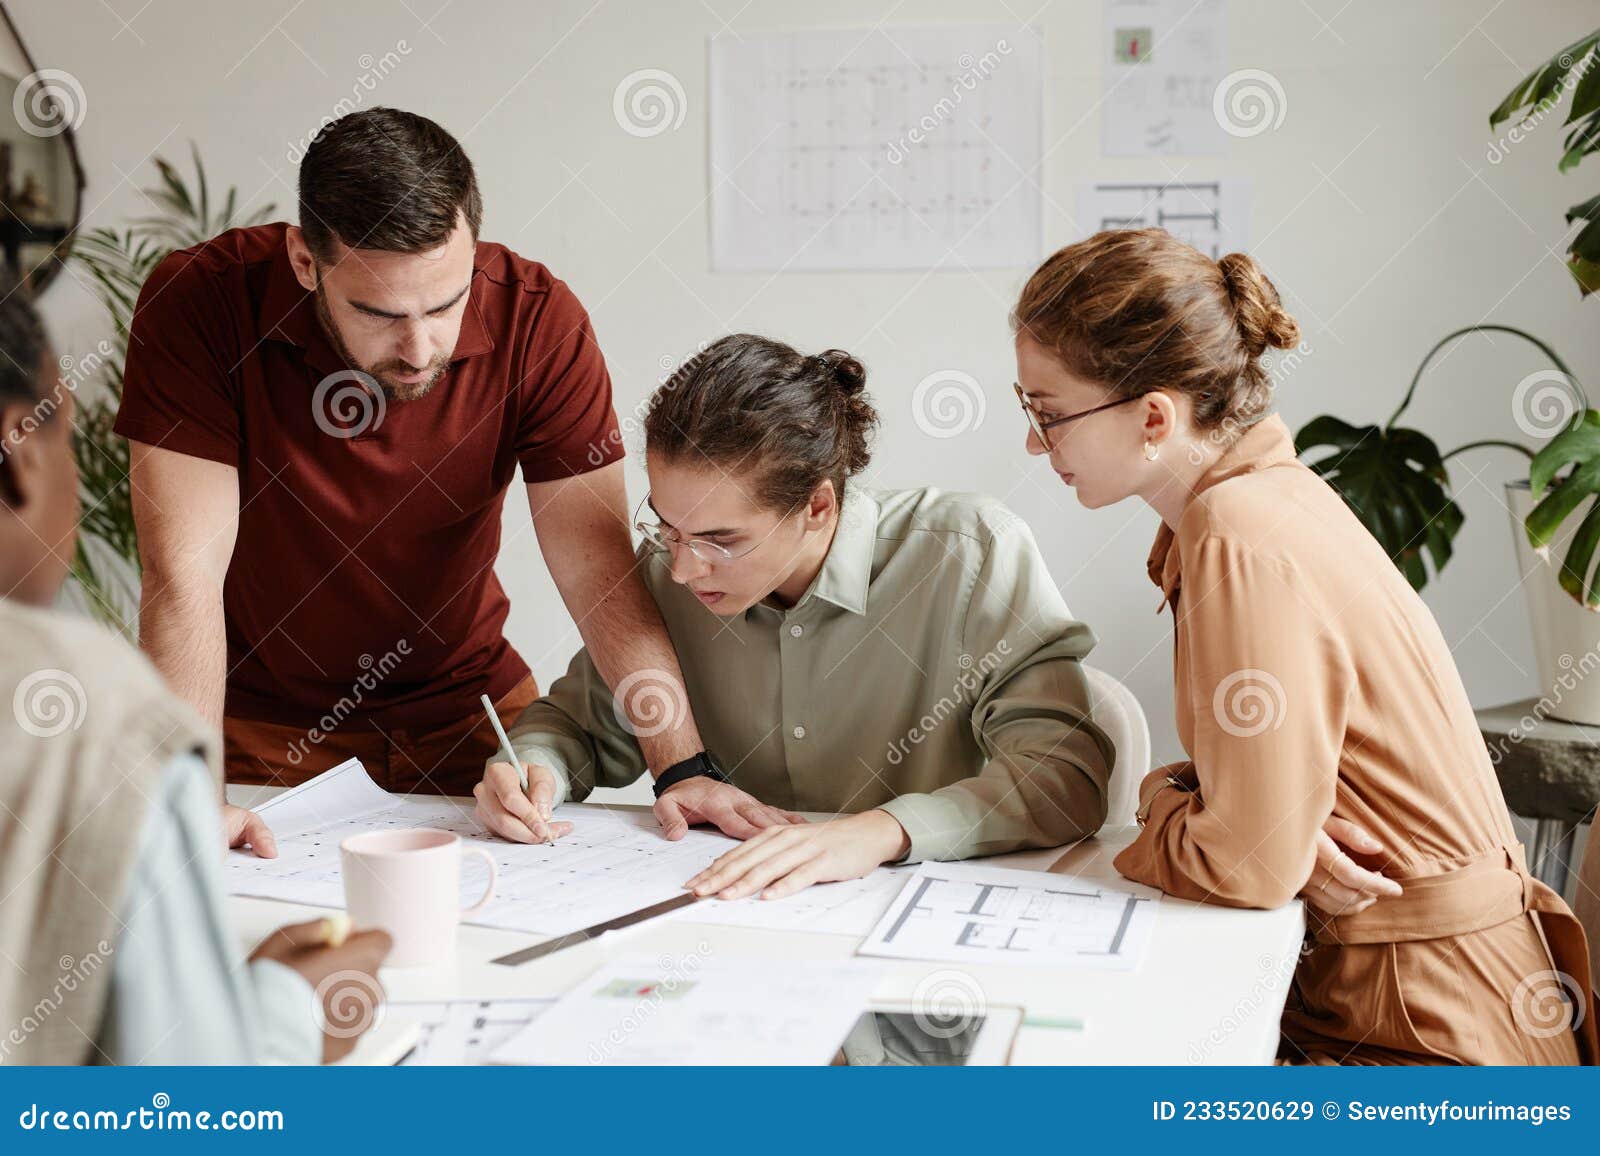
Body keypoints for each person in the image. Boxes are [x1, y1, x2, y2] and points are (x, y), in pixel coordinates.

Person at [1011, 226, 1597, 1065]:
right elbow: (1262, 846)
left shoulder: (1237, 531)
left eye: (1049, 413)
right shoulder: (1262, 502)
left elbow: (1249, 868)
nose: (1036, 443)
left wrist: (1160, 801)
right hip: (1408, 1006)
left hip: (1431, 1043)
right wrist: (1252, 830)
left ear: (1153, 417)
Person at [114, 107, 773, 849]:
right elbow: (183, 572)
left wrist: (681, 767)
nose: (420, 348)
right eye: (378, 312)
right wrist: (192, 800)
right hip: (261, 733)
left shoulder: (537, 320)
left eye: (445, 304)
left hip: (470, 720)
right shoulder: (201, 302)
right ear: (304, 261)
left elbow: (598, 568)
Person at [473, 334, 1113, 897]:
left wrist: (880, 833)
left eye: (721, 540)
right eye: (667, 527)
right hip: (734, 916)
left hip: (921, 923)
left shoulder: (969, 554)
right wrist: (532, 768)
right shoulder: (668, 571)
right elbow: (578, 726)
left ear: (817, 507)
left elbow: (1063, 778)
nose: (685, 568)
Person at [0, 282, 391, 1064]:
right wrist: (291, 1010)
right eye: (67, 431)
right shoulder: (93, 703)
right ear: (21, 451)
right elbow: (191, 1103)